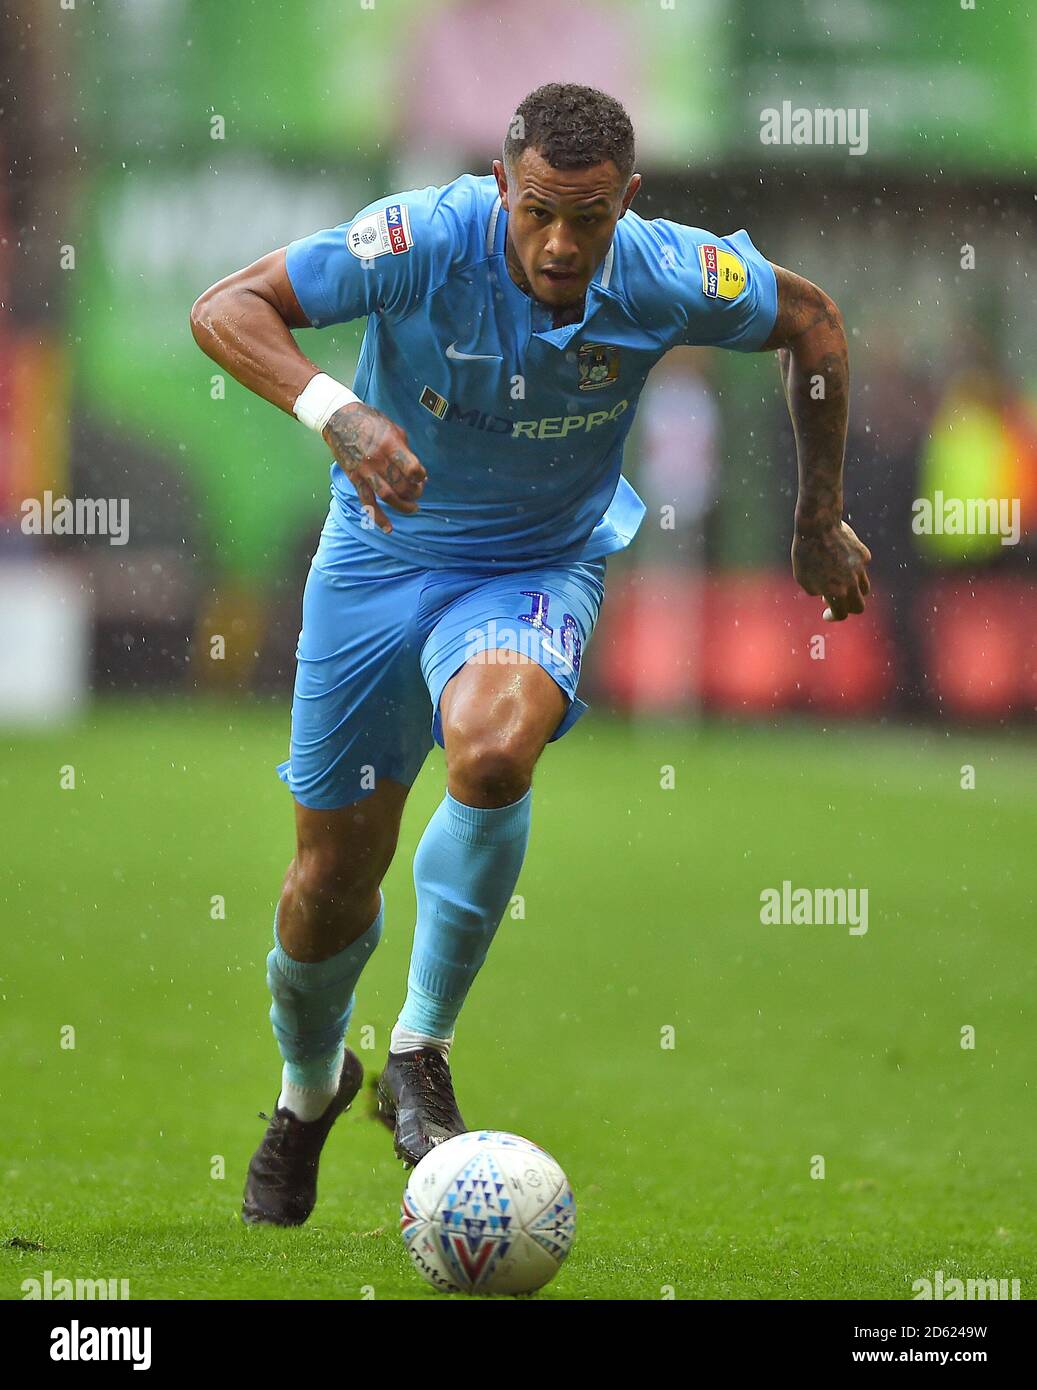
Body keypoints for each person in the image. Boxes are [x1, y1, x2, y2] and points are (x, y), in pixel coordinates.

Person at [189, 82, 871, 1227]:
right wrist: (335, 414)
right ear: (501, 185)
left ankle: (419, 1048)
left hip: (531, 570)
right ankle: (309, 1091)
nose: (562, 243)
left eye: (590, 218)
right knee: (326, 885)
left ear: (627, 203)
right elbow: (228, 305)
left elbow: (813, 321)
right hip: (373, 566)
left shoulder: (662, 270)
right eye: (539, 212)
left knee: (495, 754)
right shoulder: (420, 236)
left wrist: (815, 516)